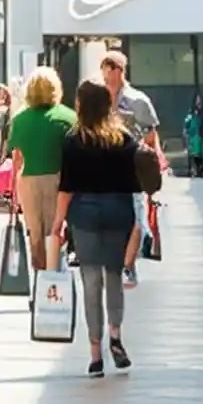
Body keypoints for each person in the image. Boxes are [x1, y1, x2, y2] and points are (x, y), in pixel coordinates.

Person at [53, 79, 141, 378]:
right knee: (114, 276)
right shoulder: (124, 139)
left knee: (91, 280)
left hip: (85, 215)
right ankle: (116, 335)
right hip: (118, 212)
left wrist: (58, 223)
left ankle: (95, 353)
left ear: (81, 106)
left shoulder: (73, 140)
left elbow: (67, 188)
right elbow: (134, 185)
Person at [100, 50, 160, 289]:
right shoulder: (99, 99)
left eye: (112, 71)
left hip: (131, 167)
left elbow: (151, 134)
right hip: (103, 168)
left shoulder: (138, 100)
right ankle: (113, 261)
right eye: (105, 72)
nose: (108, 77)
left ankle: (127, 266)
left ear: (121, 71)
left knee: (136, 216)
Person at [8, 67, 76, 271]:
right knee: (55, 231)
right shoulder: (68, 117)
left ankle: (39, 278)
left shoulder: (20, 119)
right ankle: (54, 277)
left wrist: (13, 192)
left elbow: (17, 157)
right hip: (59, 179)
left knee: (35, 234)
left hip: (28, 180)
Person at [184, 94, 203, 177]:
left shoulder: (202, 117)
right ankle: (193, 171)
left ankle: (200, 171)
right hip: (193, 140)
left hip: (199, 140)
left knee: (199, 156)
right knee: (193, 156)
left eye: (200, 102)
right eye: (197, 102)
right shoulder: (190, 117)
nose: (199, 104)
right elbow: (186, 130)